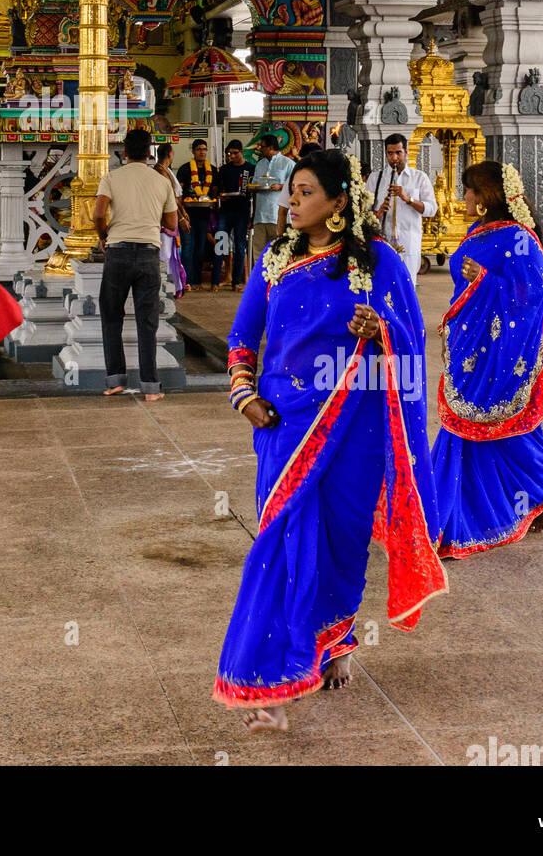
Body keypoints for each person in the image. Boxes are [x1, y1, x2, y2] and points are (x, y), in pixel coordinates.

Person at [215, 149, 445, 729]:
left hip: (354, 426)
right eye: (292, 191)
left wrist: (383, 331)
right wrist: (245, 395)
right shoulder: (273, 260)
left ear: (340, 201)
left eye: (306, 192)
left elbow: (412, 342)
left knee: (341, 545)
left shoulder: (380, 263)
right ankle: (271, 678)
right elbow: (243, 337)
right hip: (285, 423)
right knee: (281, 544)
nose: (293, 202)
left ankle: (336, 638)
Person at [430, 160, 543, 555]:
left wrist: (485, 283)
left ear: (487, 197)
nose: (463, 197)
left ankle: (451, 520)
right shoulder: (480, 231)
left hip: (500, 354)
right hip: (470, 348)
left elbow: (533, 295)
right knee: (476, 426)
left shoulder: (519, 239)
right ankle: (530, 492)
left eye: (470, 191)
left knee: (496, 425)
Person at [93, 127, 178, 401]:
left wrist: (105, 236)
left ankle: (115, 380)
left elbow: (98, 214)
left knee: (111, 316)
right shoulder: (161, 182)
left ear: (125, 152)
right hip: (148, 254)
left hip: (117, 251)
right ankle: (150, 387)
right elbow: (172, 224)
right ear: (150, 153)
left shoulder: (111, 177)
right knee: (147, 321)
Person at [365, 134, 437, 282]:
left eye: (398, 152)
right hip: (382, 240)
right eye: (390, 153)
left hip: (408, 242)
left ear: (406, 151)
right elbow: (364, 211)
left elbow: (431, 209)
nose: (394, 158)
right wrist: (377, 213)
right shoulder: (376, 178)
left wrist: (408, 199)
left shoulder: (419, 177)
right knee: (382, 284)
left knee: (407, 284)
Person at [177, 139, 217, 290]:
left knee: (200, 249)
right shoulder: (185, 169)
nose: (202, 152)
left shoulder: (212, 170)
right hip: (188, 214)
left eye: (204, 149)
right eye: (199, 149)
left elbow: (214, 191)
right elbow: (178, 195)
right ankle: (186, 281)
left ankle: (197, 281)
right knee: (187, 248)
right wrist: (182, 214)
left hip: (204, 214)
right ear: (193, 151)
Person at [215, 140, 255, 290]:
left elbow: (253, 192)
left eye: (234, 153)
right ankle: (215, 281)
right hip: (226, 211)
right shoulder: (224, 169)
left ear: (242, 152)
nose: (231, 156)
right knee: (221, 245)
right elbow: (218, 189)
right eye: (229, 153)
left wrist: (253, 215)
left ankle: (236, 282)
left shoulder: (251, 168)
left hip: (242, 211)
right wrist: (220, 196)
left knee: (240, 247)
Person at [248, 133, 291, 261]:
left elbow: (295, 186)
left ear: (271, 147)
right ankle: (259, 280)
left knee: (278, 252)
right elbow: (255, 189)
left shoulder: (287, 163)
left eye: (262, 146)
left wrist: (280, 186)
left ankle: (276, 280)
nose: (260, 149)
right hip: (260, 216)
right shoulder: (260, 164)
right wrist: (253, 215)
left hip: (278, 215)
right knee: (258, 254)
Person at [155, 143, 188, 296]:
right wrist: (181, 218)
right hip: (165, 220)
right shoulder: (159, 172)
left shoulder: (166, 171)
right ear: (170, 154)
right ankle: (164, 287)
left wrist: (183, 212)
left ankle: (173, 286)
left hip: (172, 217)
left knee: (172, 254)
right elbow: (170, 200)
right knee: (165, 255)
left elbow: (176, 198)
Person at [275, 141, 322, 235]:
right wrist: (280, 239)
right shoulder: (293, 179)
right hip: (301, 232)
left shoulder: (325, 178)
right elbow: (282, 211)